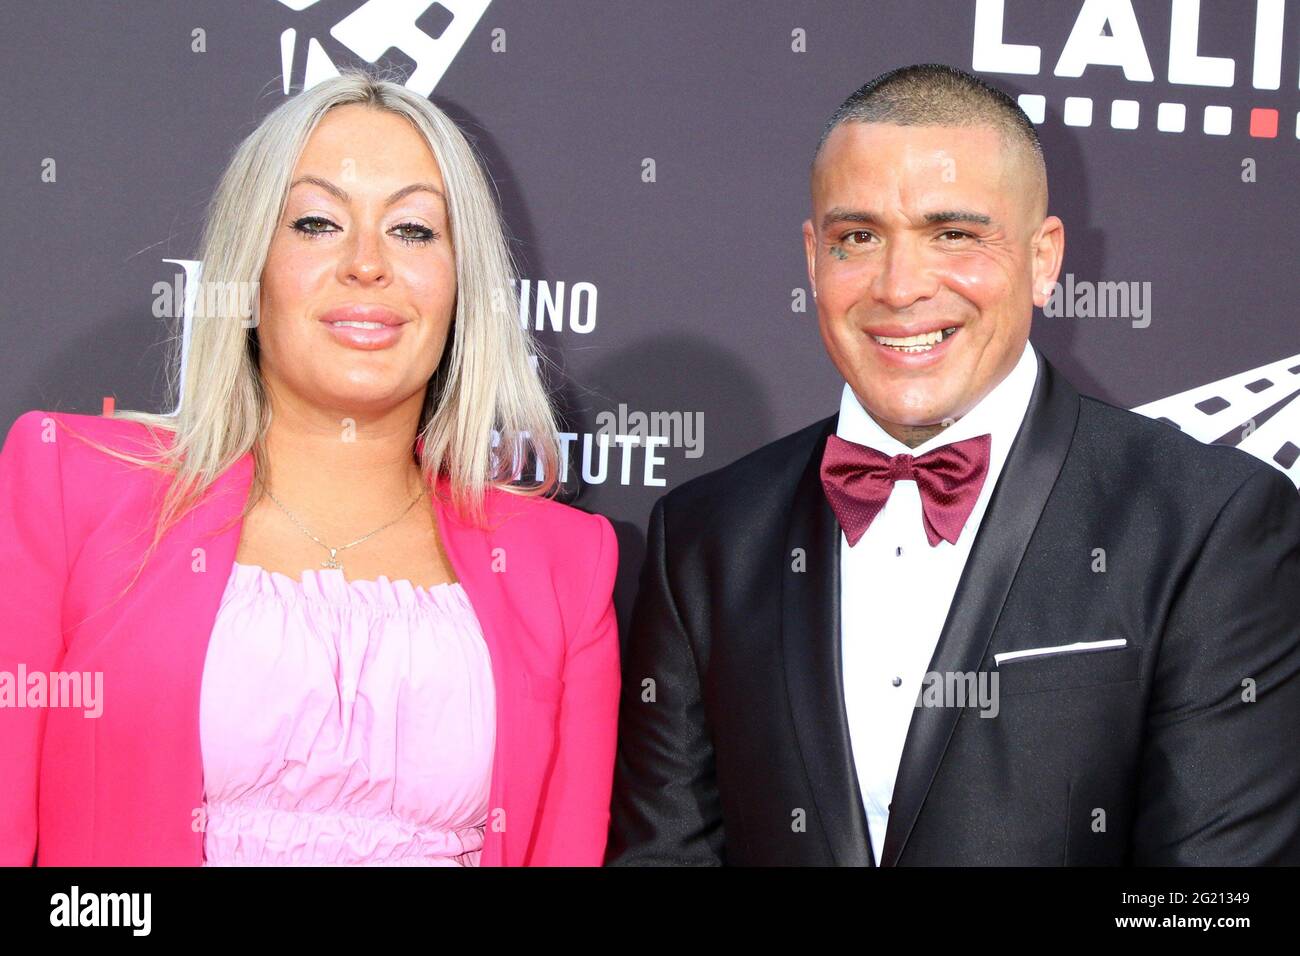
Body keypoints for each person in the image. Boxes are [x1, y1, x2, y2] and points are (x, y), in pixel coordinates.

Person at [606, 63, 1300, 866]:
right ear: (812, 258)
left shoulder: (1208, 524)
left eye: (955, 235)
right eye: (857, 238)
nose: (901, 288)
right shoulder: (703, 536)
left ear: (1044, 260)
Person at [0, 68, 619, 866]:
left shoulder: (565, 565)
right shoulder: (70, 484)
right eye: (319, 222)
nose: (368, 264)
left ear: (464, 289)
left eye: (415, 231)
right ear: (247, 274)